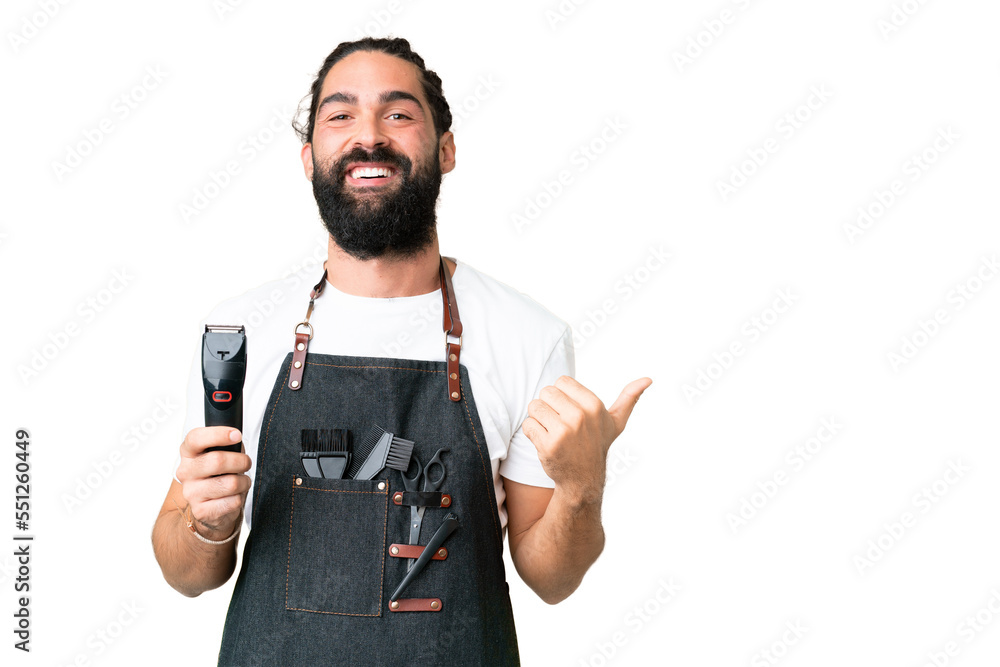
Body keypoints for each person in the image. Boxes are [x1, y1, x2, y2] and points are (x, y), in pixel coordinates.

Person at [151, 37, 651, 665]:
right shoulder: (239, 330)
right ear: (309, 157)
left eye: (398, 113)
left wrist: (582, 486)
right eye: (340, 115)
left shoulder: (525, 334)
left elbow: (552, 578)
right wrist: (205, 525)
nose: (369, 136)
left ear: (443, 149)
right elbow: (186, 573)